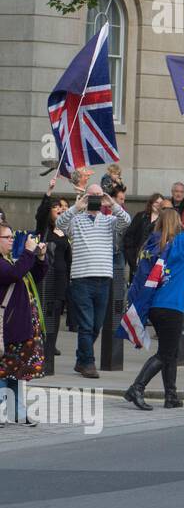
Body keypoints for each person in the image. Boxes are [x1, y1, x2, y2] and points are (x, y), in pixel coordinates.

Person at [123, 190, 184, 410]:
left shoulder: (151, 245)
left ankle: (171, 395)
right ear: (176, 223)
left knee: (170, 352)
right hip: (171, 305)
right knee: (165, 353)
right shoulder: (179, 245)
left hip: (155, 305)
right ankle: (137, 387)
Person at [57, 182, 130, 378]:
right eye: (93, 195)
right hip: (82, 280)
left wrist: (112, 203)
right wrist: (76, 207)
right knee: (87, 324)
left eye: (99, 195)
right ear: (85, 197)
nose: (96, 199)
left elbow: (126, 221)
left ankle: (81, 360)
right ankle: (88, 363)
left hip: (103, 280)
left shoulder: (109, 221)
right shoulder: (76, 220)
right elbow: (59, 224)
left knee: (96, 325)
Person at [0, 224, 47, 427]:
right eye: (7, 237)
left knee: (16, 371)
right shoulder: (2, 264)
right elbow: (13, 275)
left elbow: (32, 277)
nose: (11, 239)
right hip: (6, 326)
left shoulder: (10, 261)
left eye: (12, 236)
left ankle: (17, 412)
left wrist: (40, 258)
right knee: (2, 371)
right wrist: (28, 251)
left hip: (19, 325)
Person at [36, 184, 72, 368]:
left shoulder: (63, 232)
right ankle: (40, 349)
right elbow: (41, 214)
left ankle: (50, 350)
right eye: (55, 206)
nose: (58, 209)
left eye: (60, 206)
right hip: (45, 279)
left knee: (56, 315)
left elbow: (68, 258)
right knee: (44, 314)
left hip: (60, 280)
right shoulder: (44, 230)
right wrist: (48, 192)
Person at [124, 193, 165, 271]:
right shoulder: (141, 216)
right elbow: (129, 236)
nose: (158, 205)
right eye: (156, 202)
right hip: (137, 257)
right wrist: (131, 257)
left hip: (154, 258)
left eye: (160, 203)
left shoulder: (164, 220)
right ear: (151, 203)